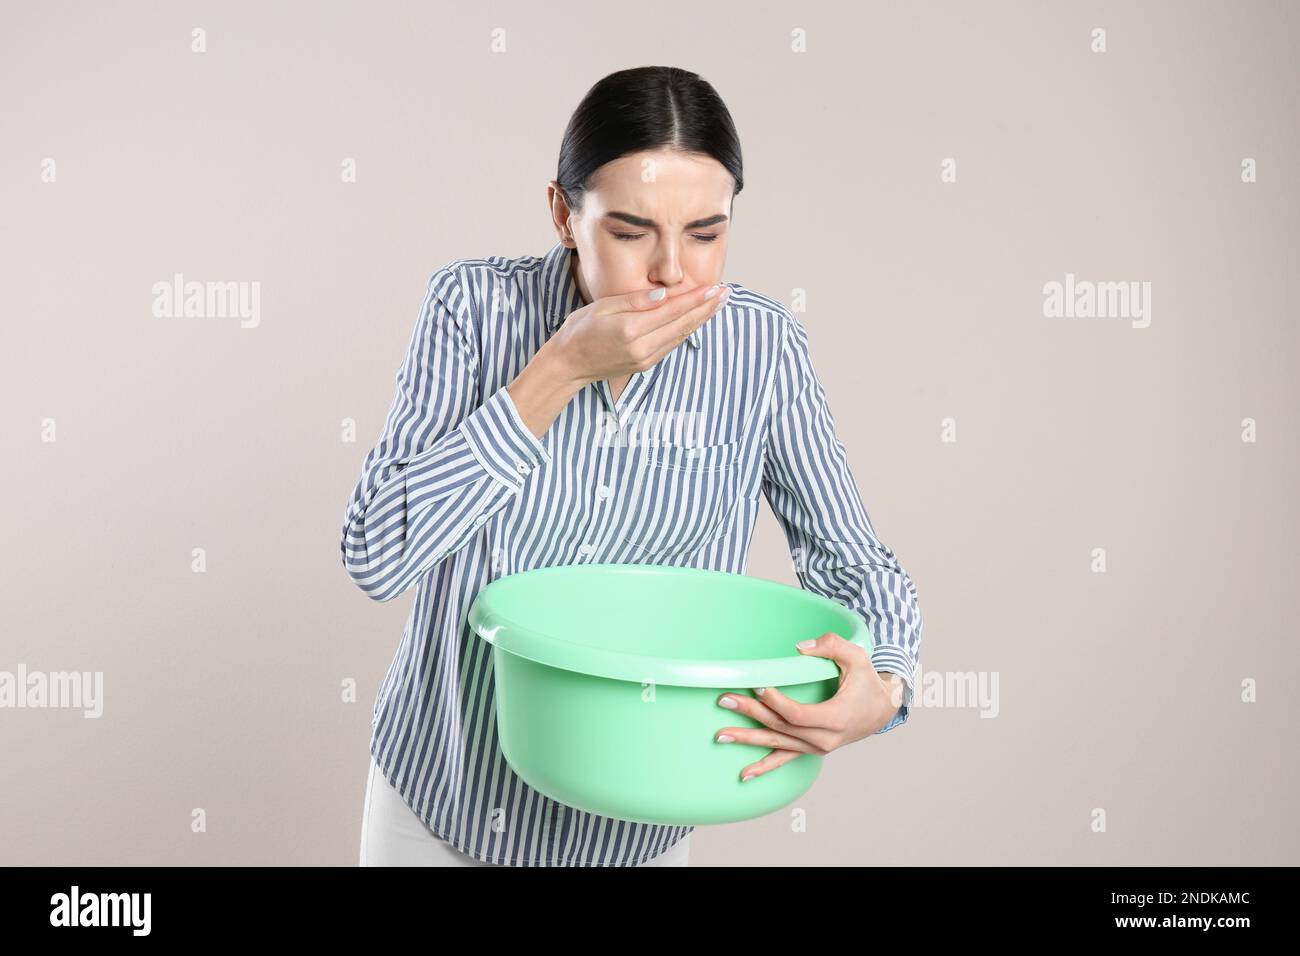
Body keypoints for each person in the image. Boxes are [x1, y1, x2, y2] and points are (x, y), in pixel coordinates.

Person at [341, 65, 923, 867]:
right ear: (562, 214)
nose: (672, 272)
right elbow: (378, 555)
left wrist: (885, 686)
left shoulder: (762, 351)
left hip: (640, 829)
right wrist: (554, 375)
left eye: (706, 234)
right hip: (446, 800)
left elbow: (854, 563)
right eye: (629, 232)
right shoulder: (471, 311)